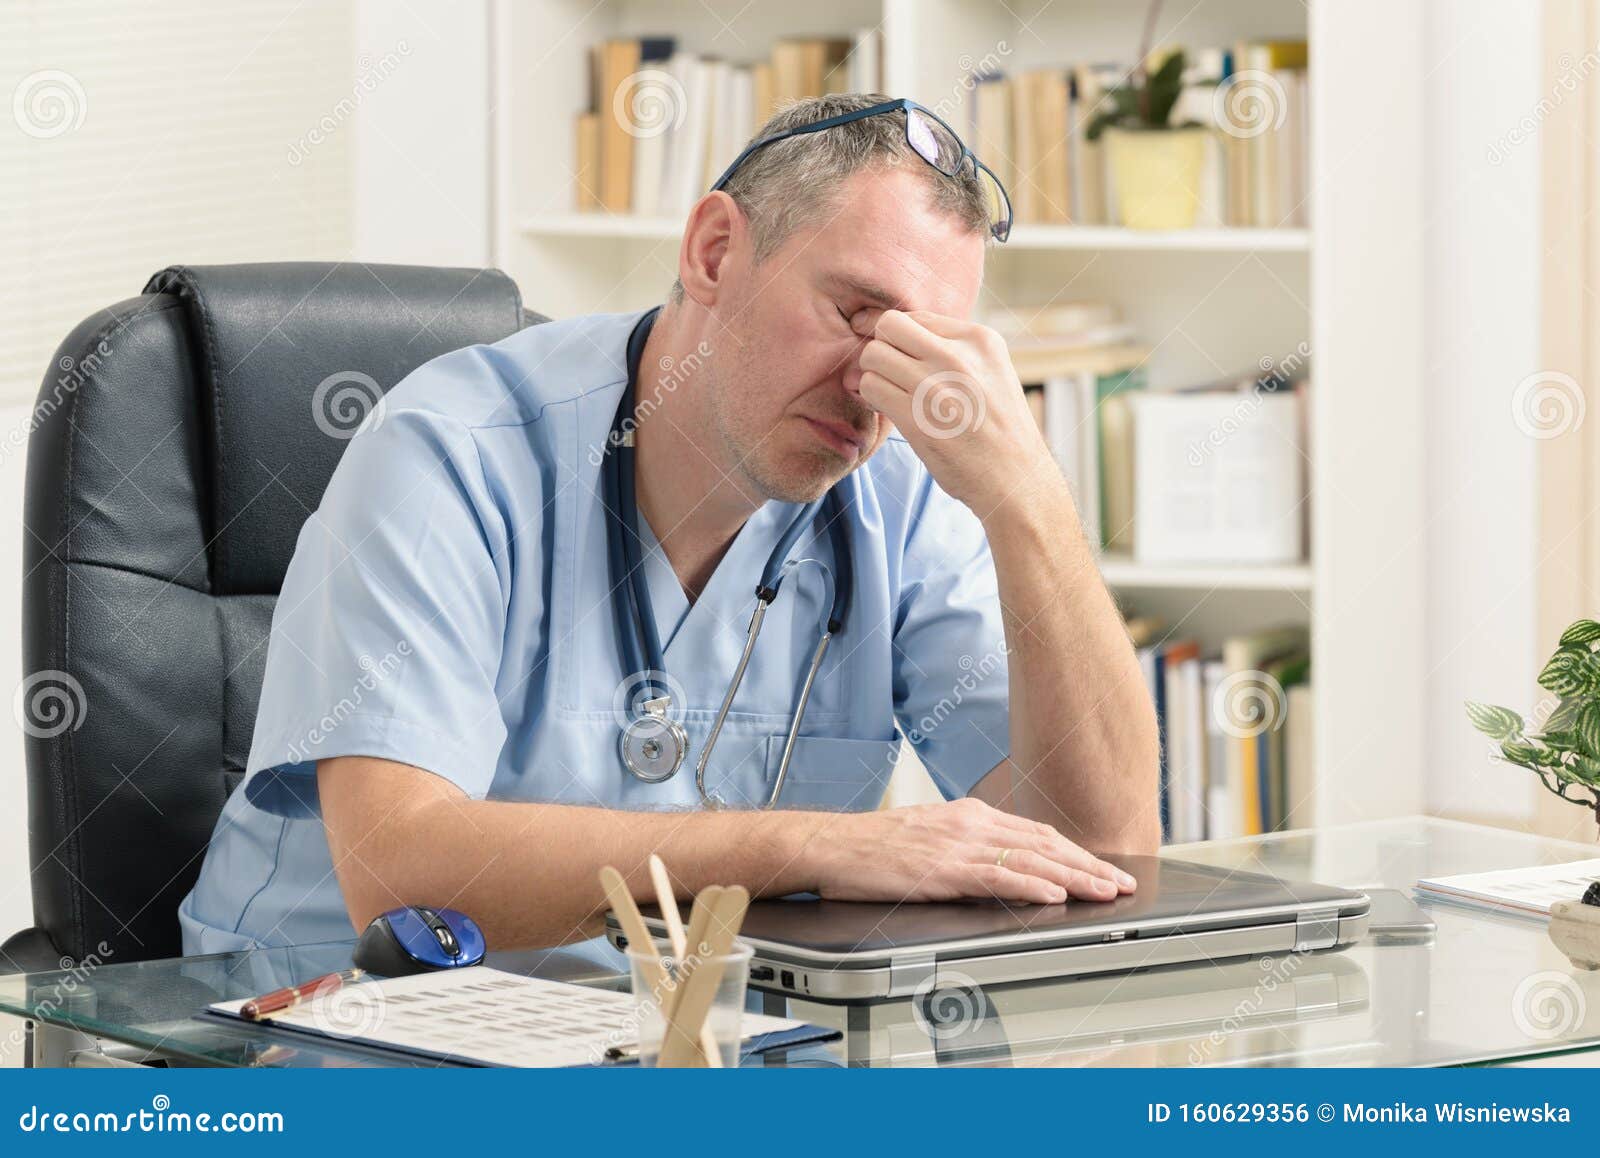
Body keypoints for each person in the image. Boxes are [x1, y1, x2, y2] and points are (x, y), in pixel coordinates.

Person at [179, 94, 1160, 962]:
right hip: (331, 1026)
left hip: (661, 1037)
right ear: (714, 252)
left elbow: (1099, 856)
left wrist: (1030, 499)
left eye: (923, 350)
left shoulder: (900, 495)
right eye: (859, 315)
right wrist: (813, 846)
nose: (875, 386)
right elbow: (401, 879)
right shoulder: (451, 449)